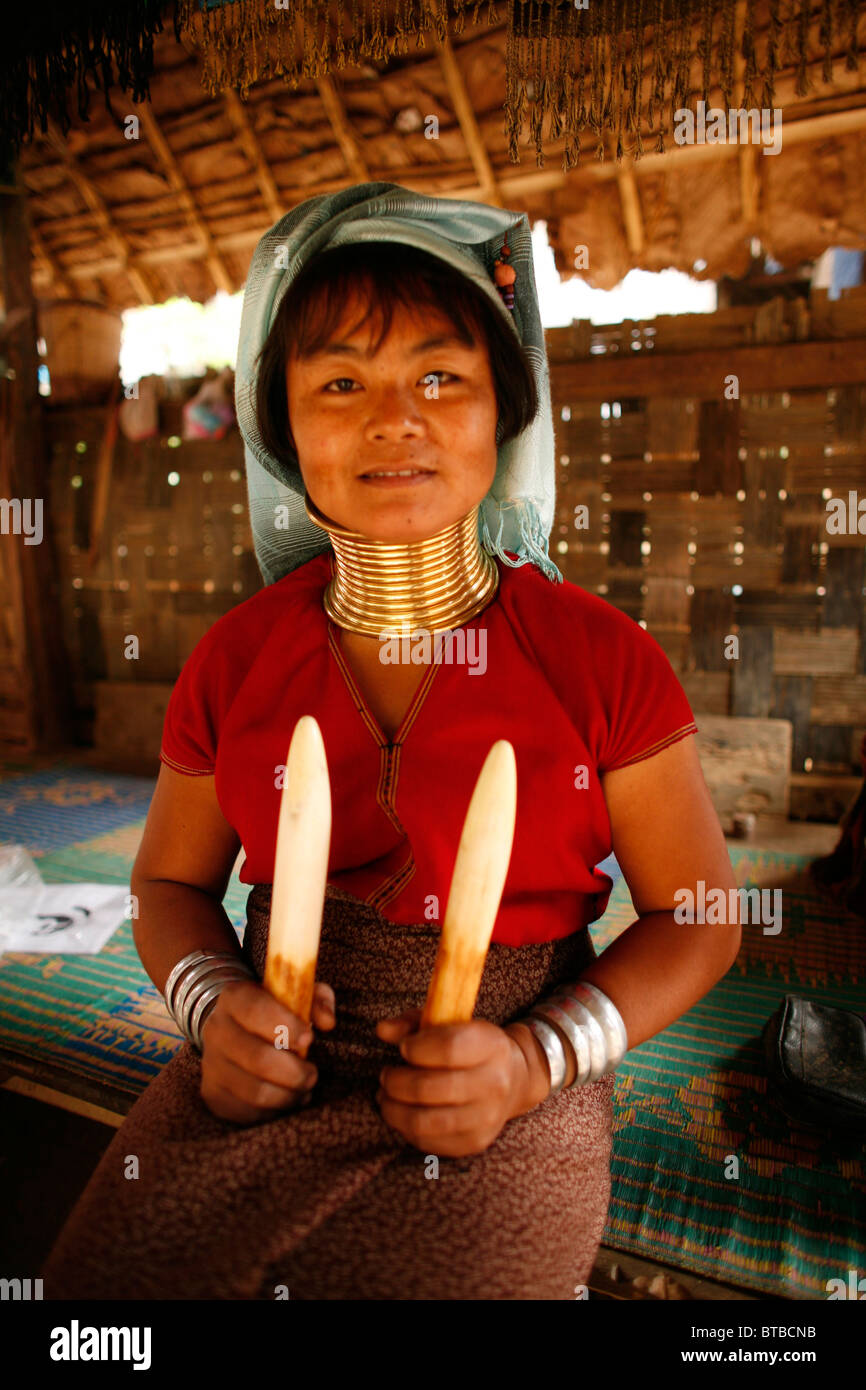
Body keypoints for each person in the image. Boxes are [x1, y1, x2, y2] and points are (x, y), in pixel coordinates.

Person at [42, 183, 740, 1301]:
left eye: (438, 376)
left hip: (506, 1063)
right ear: (279, 423)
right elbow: (169, 881)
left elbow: (697, 919)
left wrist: (531, 1063)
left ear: (500, 413)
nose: (392, 416)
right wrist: (213, 1009)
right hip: (266, 1057)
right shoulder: (235, 658)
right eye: (337, 382)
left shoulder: (600, 658)